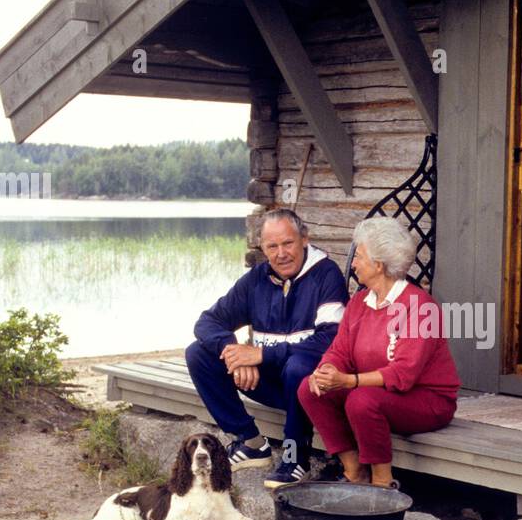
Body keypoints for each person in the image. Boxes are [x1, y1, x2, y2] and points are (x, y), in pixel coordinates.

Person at [186, 209, 348, 488]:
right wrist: (234, 353)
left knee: (299, 366)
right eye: (272, 246)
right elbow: (207, 322)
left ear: (305, 239)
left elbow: (330, 339)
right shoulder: (256, 280)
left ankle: (295, 456)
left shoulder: (326, 275)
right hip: (268, 382)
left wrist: (261, 354)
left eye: (288, 243)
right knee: (197, 353)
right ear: (263, 247)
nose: (281, 253)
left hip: (313, 388)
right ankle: (250, 441)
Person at [298, 217, 459, 488]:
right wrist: (325, 371)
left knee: (361, 400)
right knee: (309, 388)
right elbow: (340, 351)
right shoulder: (360, 301)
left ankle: (382, 482)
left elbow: (404, 373)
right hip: (377, 394)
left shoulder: (420, 306)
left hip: (428, 400)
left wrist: (349, 381)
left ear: (379, 264)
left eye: (359, 256)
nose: (353, 264)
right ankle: (354, 470)